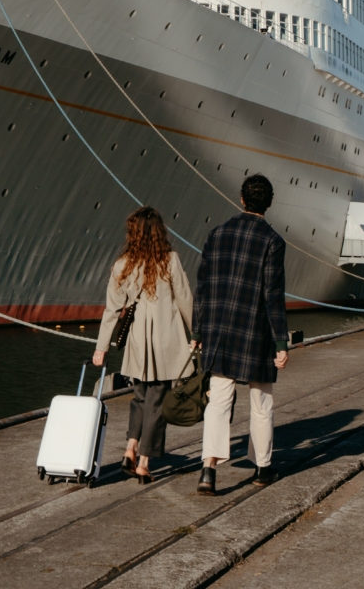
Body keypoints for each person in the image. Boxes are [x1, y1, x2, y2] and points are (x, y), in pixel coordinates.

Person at [192, 173, 288, 495]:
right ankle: (262, 468)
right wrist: (281, 343)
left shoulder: (216, 234)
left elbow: (202, 289)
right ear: (269, 203)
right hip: (255, 333)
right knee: (261, 401)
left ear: (242, 199)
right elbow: (272, 296)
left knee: (218, 401)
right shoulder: (273, 241)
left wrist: (197, 330)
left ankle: (208, 470)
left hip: (219, 331)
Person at [93, 205, 195, 483]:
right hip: (166, 341)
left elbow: (111, 310)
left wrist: (101, 347)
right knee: (157, 401)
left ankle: (130, 448)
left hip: (138, 342)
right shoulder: (170, 260)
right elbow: (185, 299)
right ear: (159, 232)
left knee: (140, 397)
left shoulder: (121, 265)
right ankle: (144, 462)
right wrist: (196, 333)